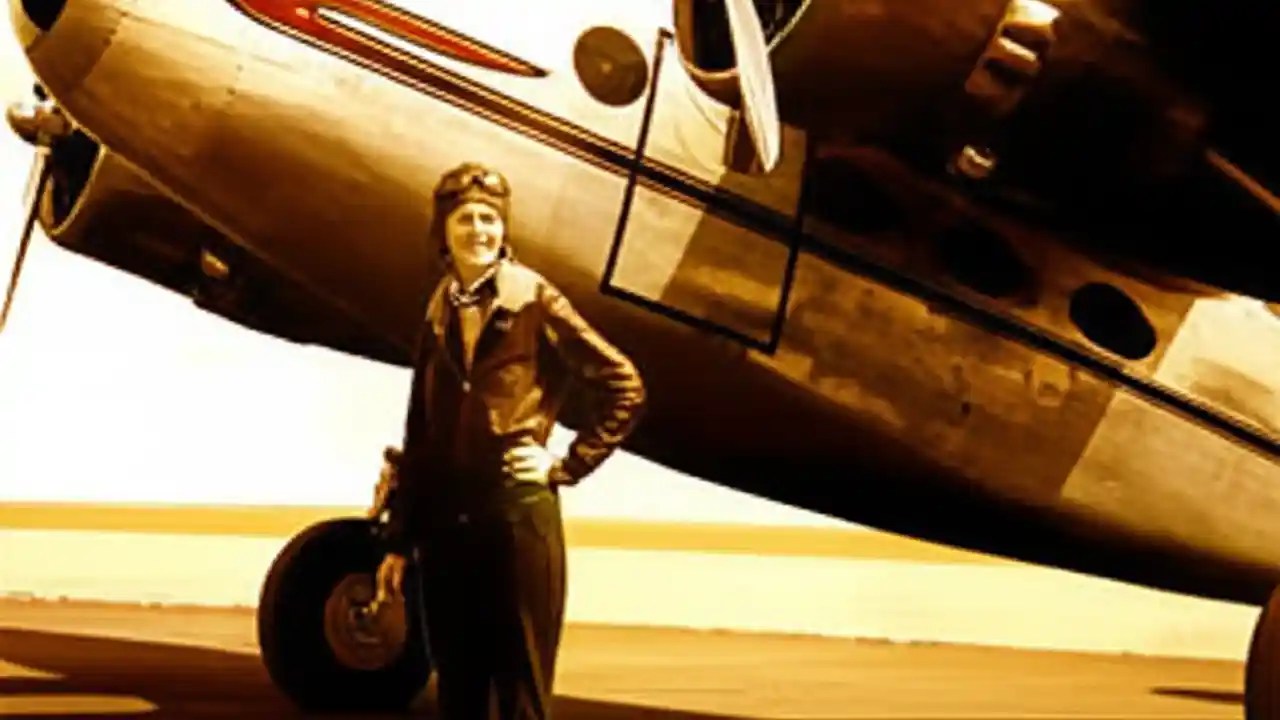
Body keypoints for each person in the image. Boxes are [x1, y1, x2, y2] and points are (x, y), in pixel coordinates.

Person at [375, 161, 646, 719]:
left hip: (517, 518)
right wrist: (400, 539)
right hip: (448, 525)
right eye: (465, 219)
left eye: (489, 219)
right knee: (459, 689)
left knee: (521, 689)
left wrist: (567, 465)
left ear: (504, 229)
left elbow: (624, 384)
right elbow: (420, 429)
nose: (479, 230)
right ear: (444, 231)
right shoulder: (439, 308)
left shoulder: (533, 298)